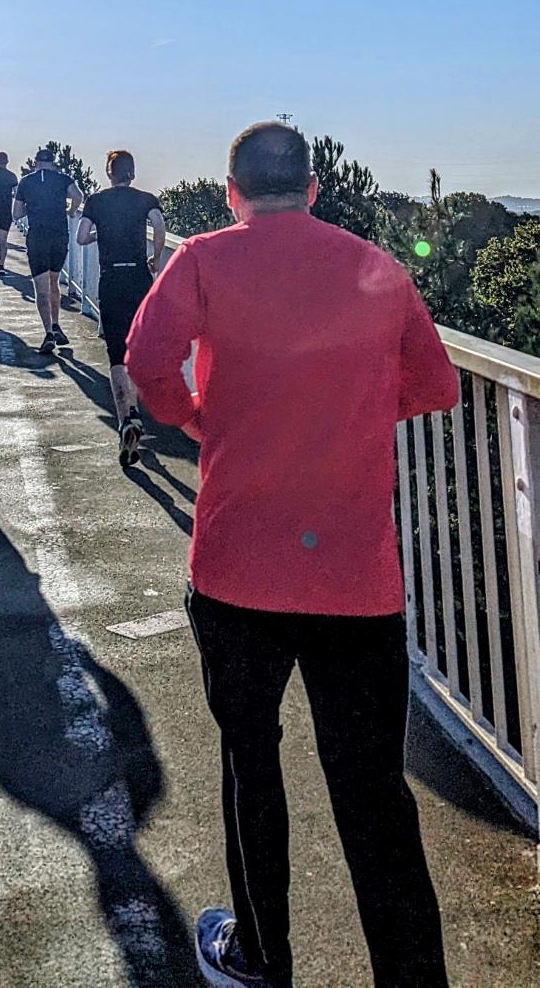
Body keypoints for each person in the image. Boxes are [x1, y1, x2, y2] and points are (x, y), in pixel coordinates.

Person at [126, 120, 458, 988]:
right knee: (374, 793)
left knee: (252, 764)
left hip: (236, 571)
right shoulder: (375, 267)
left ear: (231, 192)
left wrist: (200, 417)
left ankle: (262, 958)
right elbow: (436, 384)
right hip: (357, 582)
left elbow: (147, 360)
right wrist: (347, 412)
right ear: (313, 188)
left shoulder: (202, 259)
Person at [78, 150, 165, 466]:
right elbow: (159, 226)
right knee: (137, 347)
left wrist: (102, 233)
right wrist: (155, 258)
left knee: (116, 352)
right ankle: (136, 410)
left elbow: (81, 236)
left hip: (111, 278)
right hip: (139, 277)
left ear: (109, 173)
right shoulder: (146, 199)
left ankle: (126, 417)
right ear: (133, 172)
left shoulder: (96, 201)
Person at [13, 147, 82, 355]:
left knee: (41, 289)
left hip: (38, 238)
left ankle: (48, 332)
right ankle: (56, 323)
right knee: (54, 281)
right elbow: (78, 196)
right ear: (53, 163)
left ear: (36, 163)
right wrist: (70, 210)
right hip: (59, 236)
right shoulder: (63, 179)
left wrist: (32, 208)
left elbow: (16, 213)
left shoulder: (26, 182)